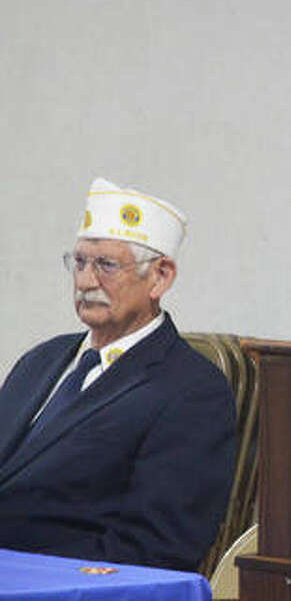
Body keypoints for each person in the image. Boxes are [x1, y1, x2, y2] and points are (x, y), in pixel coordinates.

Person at [0, 178, 236, 571]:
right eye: (79, 262)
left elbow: (155, 549)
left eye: (106, 265)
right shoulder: (40, 360)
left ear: (160, 277)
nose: (85, 281)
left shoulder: (193, 391)